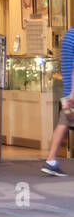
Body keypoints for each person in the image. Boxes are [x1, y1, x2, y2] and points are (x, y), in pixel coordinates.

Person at [42, 24, 73, 177]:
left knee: (62, 124)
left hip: (68, 91)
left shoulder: (68, 35)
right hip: (73, 93)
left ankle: (51, 161)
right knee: (63, 124)